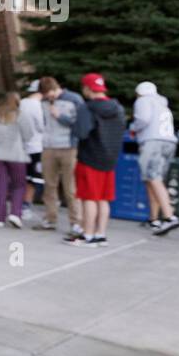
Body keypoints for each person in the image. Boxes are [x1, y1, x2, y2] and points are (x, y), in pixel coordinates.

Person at [65, 73, 125, 248]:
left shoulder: (87, 108)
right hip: (109, 159)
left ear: (87, 88)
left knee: (88, 198)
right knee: (103, 199)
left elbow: (81, 132)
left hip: (89, 157)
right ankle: (101, 234)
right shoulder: (117, 108)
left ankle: (87, 235)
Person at [0, 92, 39, 228]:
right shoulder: (20, 116)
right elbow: (29, 135)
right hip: (17, 156)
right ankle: (15, 213)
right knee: (19, 185)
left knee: (0, 186)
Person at [35, 76, 84, 233]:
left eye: (49, 94)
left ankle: (76, 222)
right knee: (49, 185)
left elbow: (80, 123)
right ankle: (50, 219)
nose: (48, 97)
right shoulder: (43, 102)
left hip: (68, 147)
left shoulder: (74, 99)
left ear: (55, 89)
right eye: (45, 95)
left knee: (70, 187)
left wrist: (60, 116)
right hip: (48, 147)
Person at [131, 81, 179, 236]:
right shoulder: (161, 102)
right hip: (169, 142)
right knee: (154, 180)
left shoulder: (143, 101)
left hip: (153, 142)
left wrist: (133, 128)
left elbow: (143, 120)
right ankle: (154, 219)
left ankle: (169, 216)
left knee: (153, 178)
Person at [20, 80, 46, 219]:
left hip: (21, 146)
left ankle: (20, 205)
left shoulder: (22, 103)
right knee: (35, 178)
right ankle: (26, 206)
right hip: (37, 146)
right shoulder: (38, 106)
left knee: (23, 177)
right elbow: (42, 126)